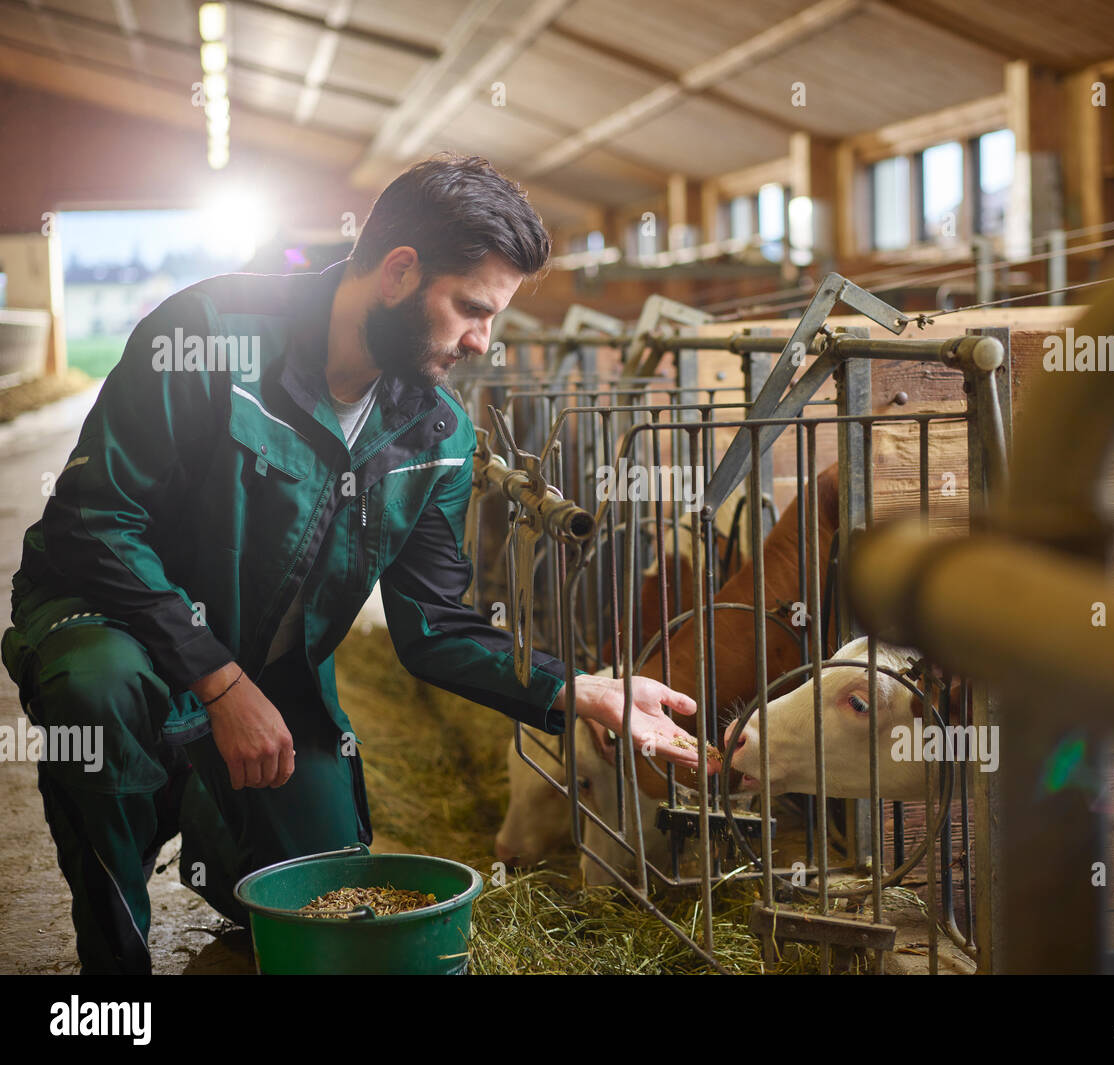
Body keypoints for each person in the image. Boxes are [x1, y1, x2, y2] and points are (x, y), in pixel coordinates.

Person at [1, 153, 706, 974]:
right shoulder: (204, 337)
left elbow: (435, 627)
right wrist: (219, 683)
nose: (483, 341)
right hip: (110, 622)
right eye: (471, 308)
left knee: (327, 900)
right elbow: (97, 523)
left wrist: (574, 688)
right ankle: (112, 975)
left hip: (275, 672)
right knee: (103, 687)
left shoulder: (435, 436)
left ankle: (208, 813)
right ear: (400, 273)